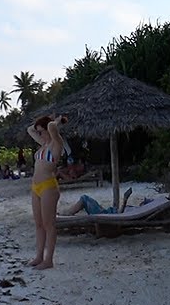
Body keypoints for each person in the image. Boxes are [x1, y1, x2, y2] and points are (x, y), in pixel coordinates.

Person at [27, 114, 68, 269]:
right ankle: (38, 256)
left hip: (48, 186)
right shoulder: (43, 144)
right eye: (39, 132)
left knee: (48, 224)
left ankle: (48, 260)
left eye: (41, 131)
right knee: (38, 224)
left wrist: (56, 121)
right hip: (35, 187)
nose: (40, 134)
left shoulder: (56, 143)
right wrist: (39, 125)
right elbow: (29, 129)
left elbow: (51, 128)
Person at [59, 188, 132, 216]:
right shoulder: (132, 209)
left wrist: (125, 200)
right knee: (85, 198)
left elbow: (120, 213)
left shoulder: (130, 210)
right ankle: (68, 212)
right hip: (105, 212)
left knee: (84, 198)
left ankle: (68, 212)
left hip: (103, 214)